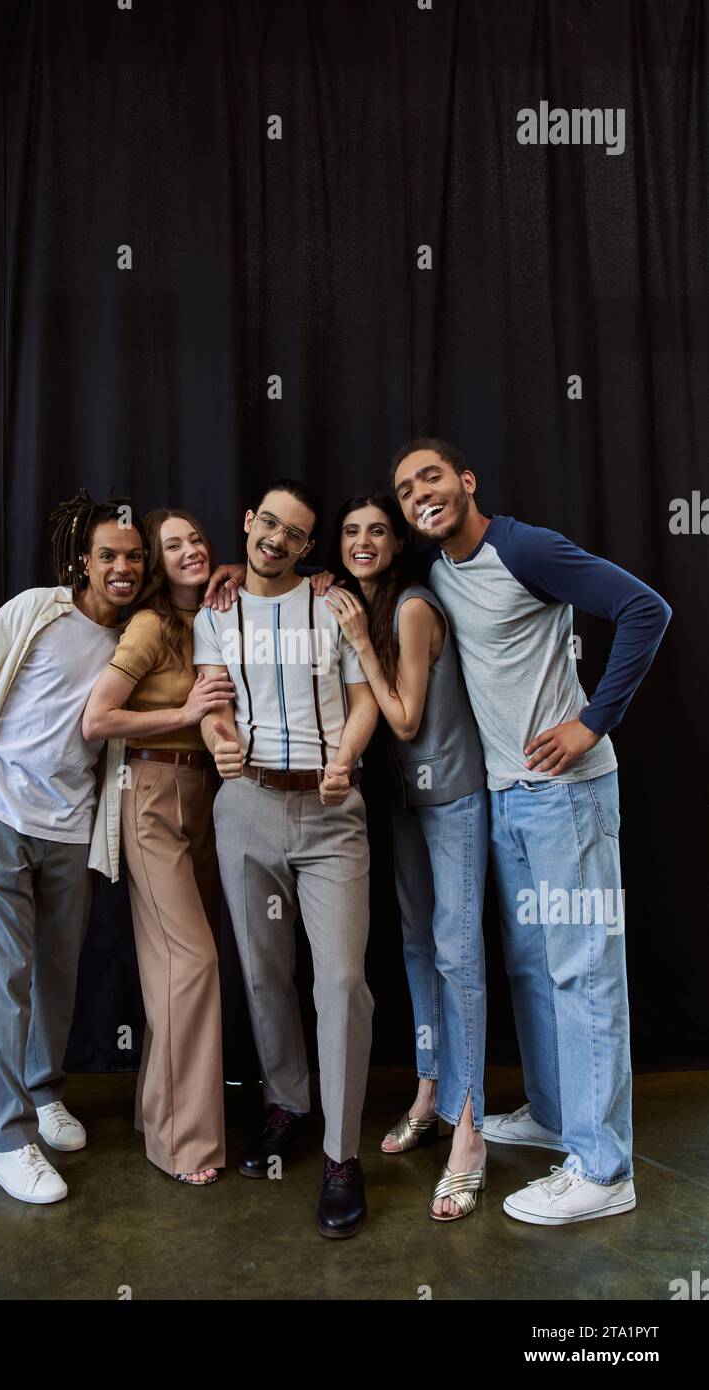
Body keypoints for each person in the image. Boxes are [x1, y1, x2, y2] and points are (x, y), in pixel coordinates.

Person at [392, 437, 672, 1225]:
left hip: (569, 797)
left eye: (433, 478)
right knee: (531, 970)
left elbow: (646, 609)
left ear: (466, 481)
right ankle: (556, 1118)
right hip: (507, 800)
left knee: (584, 973)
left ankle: (605, 1168)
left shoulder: (524, 547)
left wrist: (590, 723)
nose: (421, 495)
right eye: (408, 490)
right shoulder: (441, 576)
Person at [0, 492, 143, 1204]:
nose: (123, 567)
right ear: (82, 559)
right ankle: (6, 1139)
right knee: (4, 976)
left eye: (134, 556)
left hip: (69, 828)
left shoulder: (135, 638)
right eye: (108, 554)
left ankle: (44, 1092)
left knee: (56, 973)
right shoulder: (33, 612)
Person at [193, 480, 379, 1238]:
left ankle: (342, 1154)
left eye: (294, 533)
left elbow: (366, 699)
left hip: (332, 813)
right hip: (246, 809)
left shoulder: (333, 605)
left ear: (309, 549)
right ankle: (288, 1105)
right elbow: (213, 702)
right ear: (248, 522)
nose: (275, 539)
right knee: (264, 972)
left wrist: (347, 757)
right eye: (267, 522)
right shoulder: (218, 609)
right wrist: (218, 743)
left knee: (339, 979)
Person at [320, 493, 488, 1220]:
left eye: (377, 532)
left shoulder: (411, 606)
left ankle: (471, 1132)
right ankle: (429, 1093)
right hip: (403, 802)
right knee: (418, 948)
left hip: (451, 795)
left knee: (457, 954)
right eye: (352, 532)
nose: (364, 542)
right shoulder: (350, 599)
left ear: (396, 545)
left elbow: (408, 718)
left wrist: (360, 641)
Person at [82, 509, 236, 1187]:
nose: (189, 550)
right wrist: (186, 714)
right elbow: (97, 717)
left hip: (204, 796)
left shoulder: (215, 614)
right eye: (171, 545)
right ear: (155, 563)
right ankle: (185, 1146)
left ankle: (158, 1112)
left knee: (177, 968)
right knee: (191, 963)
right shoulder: (149, 625)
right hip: (149, 790)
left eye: (196, 539)